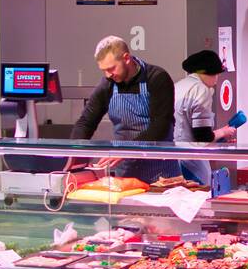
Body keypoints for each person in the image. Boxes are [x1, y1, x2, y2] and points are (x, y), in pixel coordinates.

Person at [69, 36, 177, 181]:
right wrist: (74, 155)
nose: (108, 75)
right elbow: (86, 122)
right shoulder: (107, 84)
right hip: (126, 171)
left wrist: (127, 150)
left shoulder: (157, 78)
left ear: (126, 58)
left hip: (160, 171)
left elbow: (160, 126)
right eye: (104, 70)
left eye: (111, 68)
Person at [174, 49, 236, 186]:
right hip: (192, 160)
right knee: (199, 199)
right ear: (206, 73)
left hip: (174, 157)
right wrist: (223, 132)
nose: (217, 79)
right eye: (216, 74)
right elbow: (202, 136)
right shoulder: (201, 90)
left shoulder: (178, 86)